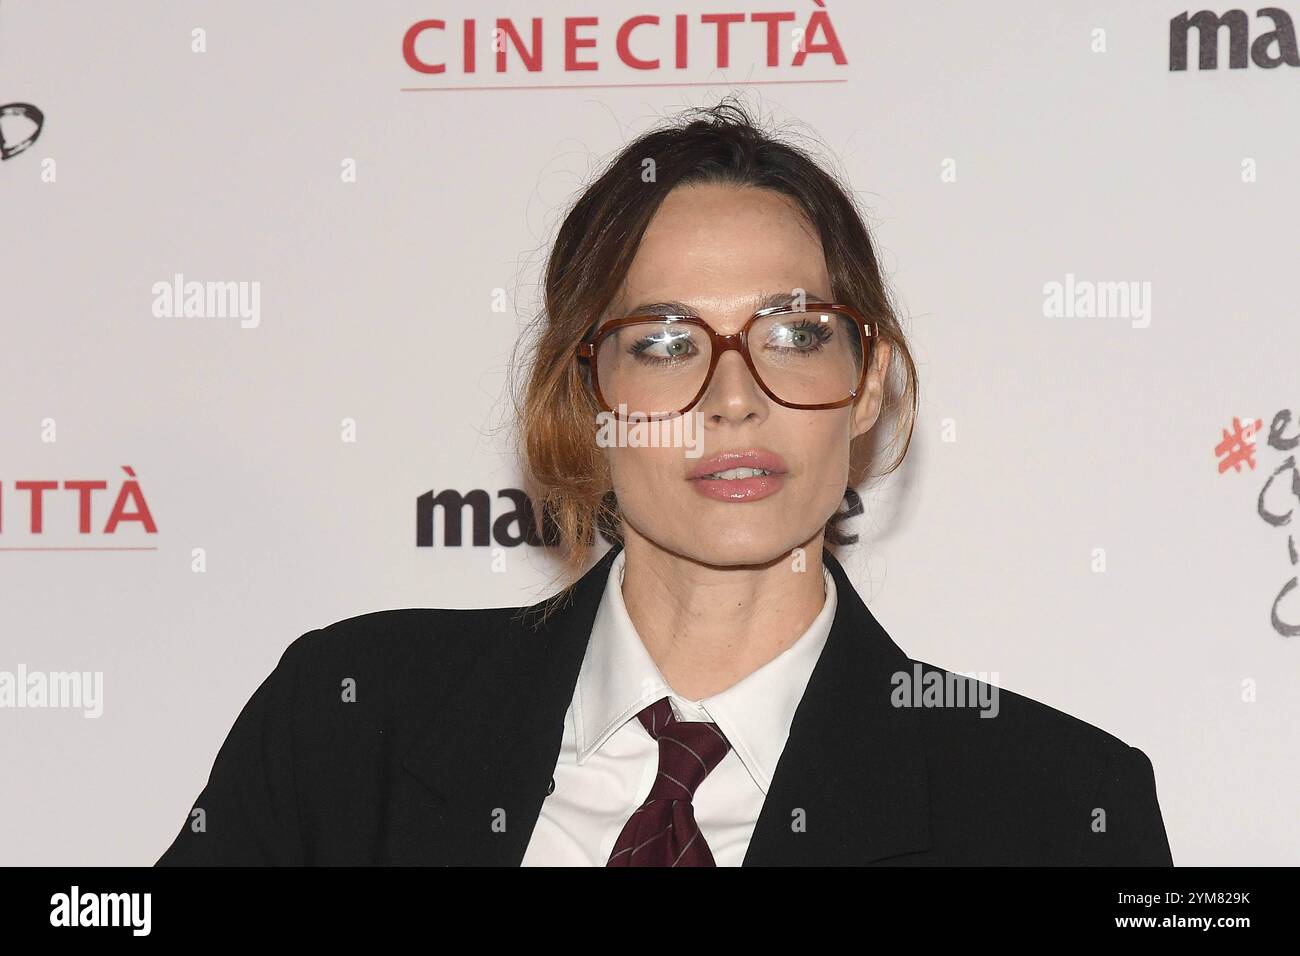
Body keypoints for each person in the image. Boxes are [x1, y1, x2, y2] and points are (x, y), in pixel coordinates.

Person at [157, 98, 1173, 867]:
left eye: (796, 333)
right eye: (664, 340)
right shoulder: (348, 721)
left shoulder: (1051, 808)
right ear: (583, 392)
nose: (734, 394)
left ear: (865, 387)